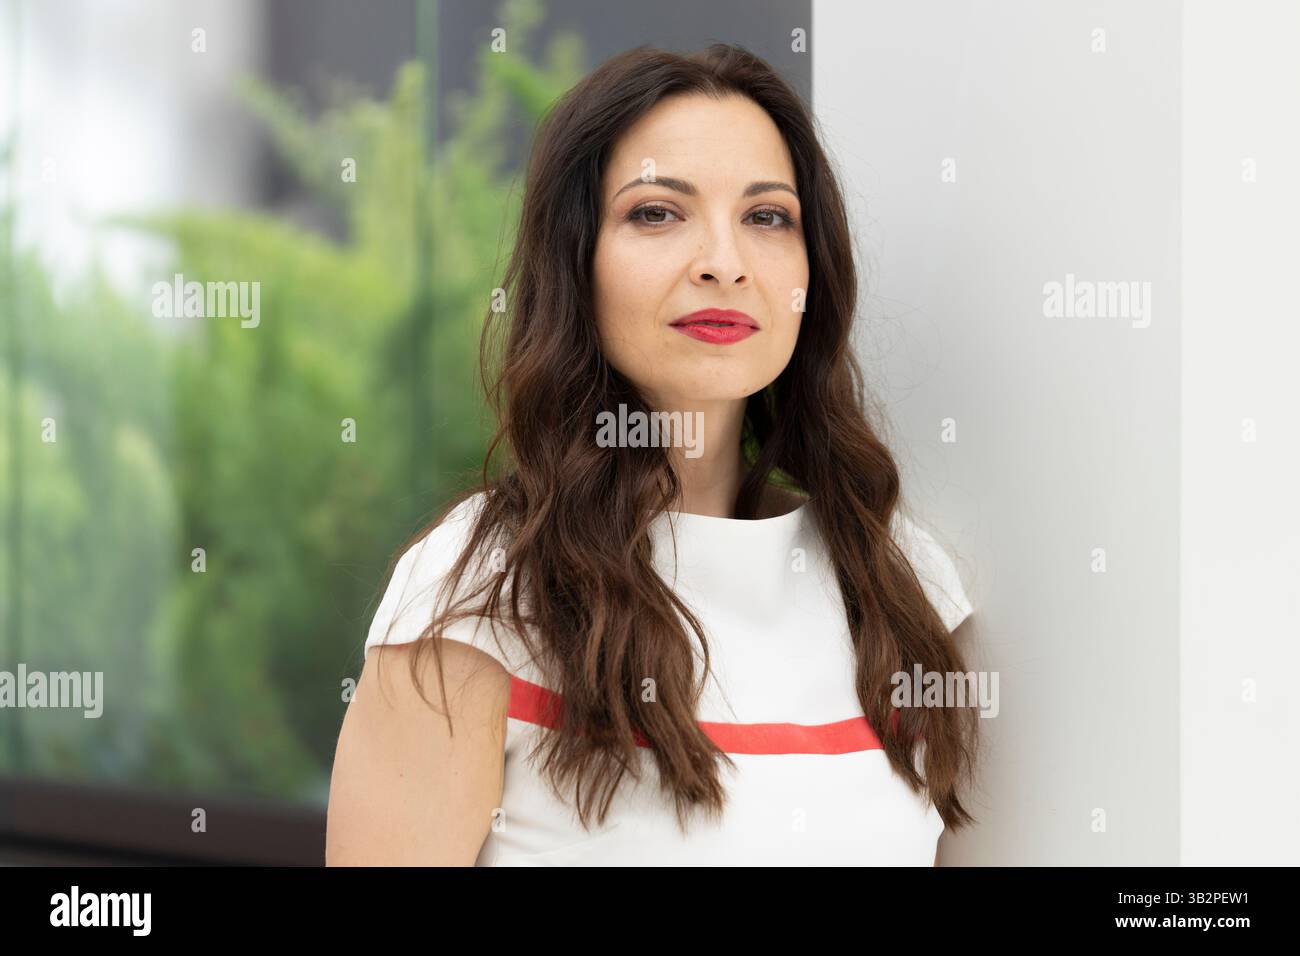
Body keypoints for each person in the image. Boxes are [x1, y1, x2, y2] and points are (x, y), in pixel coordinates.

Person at [327, 42, 977, 866]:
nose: (723, 263)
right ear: (576, 262)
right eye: (657, 213)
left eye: (767, 217)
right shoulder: (476, 599)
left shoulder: (898, 585)